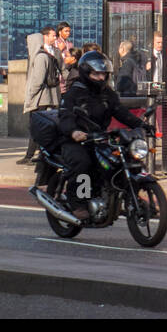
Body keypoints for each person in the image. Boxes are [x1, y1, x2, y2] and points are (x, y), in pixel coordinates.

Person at [56, 50, 145, 221]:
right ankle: (79, 203)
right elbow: (65, 116)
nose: (101, 78)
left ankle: (125, 193)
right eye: (96, 74)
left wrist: (140, 124)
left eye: (103, 74)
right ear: (86, 73)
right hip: (76, 140)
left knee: (121, 159)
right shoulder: (74, 92)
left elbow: (120, 112)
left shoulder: (107, 93)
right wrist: (74, 132)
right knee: (84, 163)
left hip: (98, 137)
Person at [18, 26, 61, 165]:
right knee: (40, 128)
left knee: (35, 128)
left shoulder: (40, 57)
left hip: (39, 98)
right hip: (47, 96)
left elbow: (37, 80)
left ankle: (32, 156)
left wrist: (30, 95)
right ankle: (33, 155)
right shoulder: (48, 55)